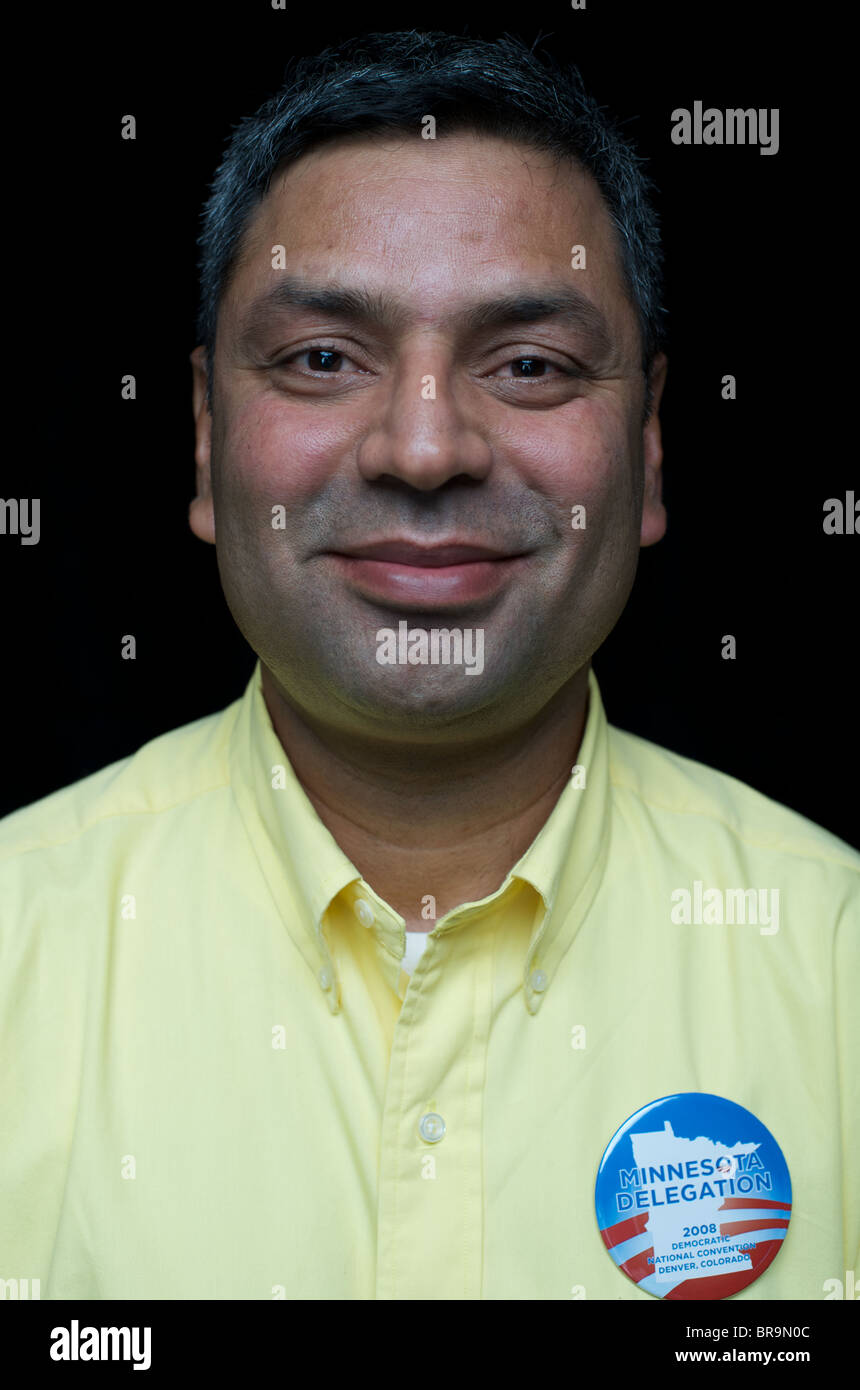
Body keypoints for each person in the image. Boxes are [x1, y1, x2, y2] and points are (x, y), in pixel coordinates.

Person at [1, 31, 856, 1302]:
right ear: (202, 434)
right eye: (323, 359)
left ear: (651, 446)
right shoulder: (16, 939)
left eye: (527, 365)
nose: (421, 447)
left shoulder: (833, 954)